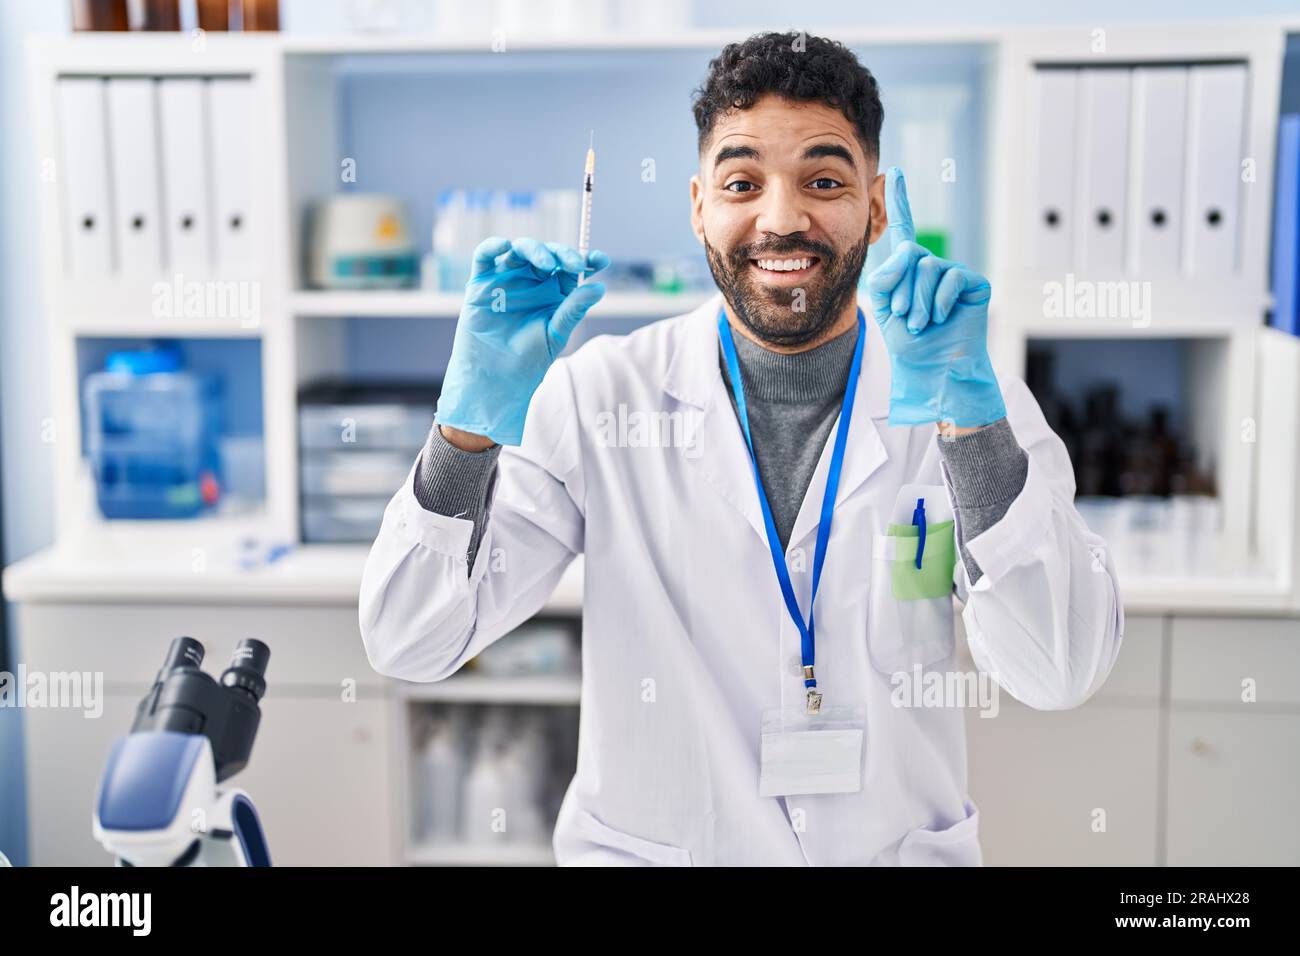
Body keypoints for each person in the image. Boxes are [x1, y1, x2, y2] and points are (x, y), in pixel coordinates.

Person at [359, 31, 1123, 866]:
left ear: (873, 205)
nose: (783, 218)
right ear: (699, 207)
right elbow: (410, 639)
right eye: (742, 182)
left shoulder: (970, 400)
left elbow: (1061, 669)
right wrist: (465, 430)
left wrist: (970, 430)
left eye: (824, 181)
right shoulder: (602, 399)